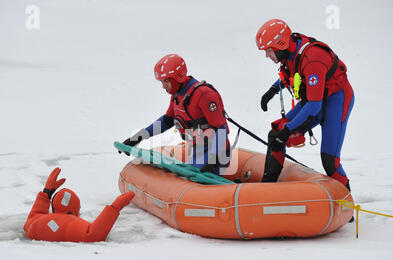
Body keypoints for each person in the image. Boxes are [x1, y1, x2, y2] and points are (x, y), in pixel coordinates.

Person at [255, 19, 354, 191]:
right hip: (314, 98)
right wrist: (272, 90)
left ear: (280, 44)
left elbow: (314, 106)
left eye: (269, 51)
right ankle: (266, 191)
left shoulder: (313, 59)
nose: (267, 56)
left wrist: (289, 130)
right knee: (275, 135)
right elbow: (295, 72)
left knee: (329, 159)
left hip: (336, 100)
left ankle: (347, 211)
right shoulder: (290, 52)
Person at [119, 54, 231, 175]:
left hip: (217, 153)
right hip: (199, 150)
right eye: (162, 82)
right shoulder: (177, 95)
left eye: (166, 81)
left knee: (190, 178)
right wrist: (137, 138)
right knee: (186, 176)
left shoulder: (204, 94)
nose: (163, 86)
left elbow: (221, 130)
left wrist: (212, 161)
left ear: (178, 77)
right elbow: (166, 121)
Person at [23, 167, 135, 242]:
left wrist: (46, 193)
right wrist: (115, 208)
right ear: (75, 208)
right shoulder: (71, 223)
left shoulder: (38, 221)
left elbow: (32, 217)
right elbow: (92, 235)